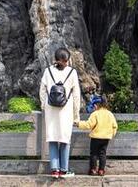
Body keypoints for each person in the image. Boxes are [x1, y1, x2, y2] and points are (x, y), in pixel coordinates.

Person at [38, 46, 81, 179]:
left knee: (52, 138)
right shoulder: (72, 72)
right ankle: (64, 170)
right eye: (66, 60)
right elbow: (76, 95)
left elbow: (42, 90)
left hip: (51, 109)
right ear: (63, 60)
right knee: (64, 139)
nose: (67, 62)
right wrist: (76, 114)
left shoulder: (47, 71)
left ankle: (54, 170)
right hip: (66, 109)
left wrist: (44, 105)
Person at [77, 94, 118, 176]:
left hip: (96, 137)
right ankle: (101, 170)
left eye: (94, 106)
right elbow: (115, 126)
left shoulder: (95, 114)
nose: (93, 107)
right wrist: (111, 134)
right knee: (103, 154)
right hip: (106, 138)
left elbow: (88, 125)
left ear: (96, 105)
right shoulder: (110, 114)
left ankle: (93, 170)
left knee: (94, 154)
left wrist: (78, 124)